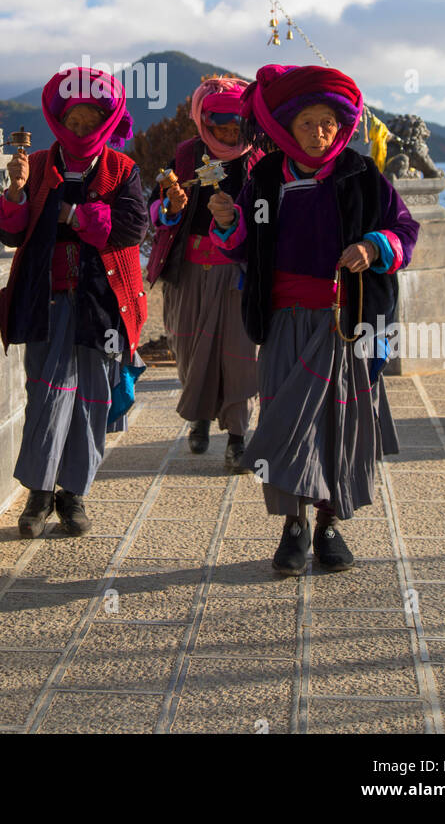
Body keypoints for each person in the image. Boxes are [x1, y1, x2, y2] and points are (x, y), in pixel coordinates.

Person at [206, 63, 419, 574]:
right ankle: (292, 526)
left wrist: (375, 246)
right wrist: (227, 221)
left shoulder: (360, 174)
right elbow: (242, 247)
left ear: (342, 124)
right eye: (308, 123)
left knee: (336, 424)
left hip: (345, 320)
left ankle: (327, 526)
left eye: (329, 122)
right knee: (285, 422)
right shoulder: (265, 176)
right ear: (286, 127)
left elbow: (404, 229)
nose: (320, 132)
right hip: (284, 319)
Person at [0, 66, 149, 539]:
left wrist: (71, 213)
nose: (81, 130)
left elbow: (130, 228)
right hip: (48, 300)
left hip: (102, 304)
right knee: (46, 392)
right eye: (74, 121)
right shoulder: (39, 165)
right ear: (59, 120)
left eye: (90, 122)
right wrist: (17, 191)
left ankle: (73, 493)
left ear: (105, 123)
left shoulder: (122, 169)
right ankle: (39, 494)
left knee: (92, 397)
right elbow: (10, 233)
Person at [146, 76, 260, 469]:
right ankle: (199, 417)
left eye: (237, 126)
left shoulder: (260, 158)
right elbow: (157, 211)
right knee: (189, 347)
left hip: (238, 272)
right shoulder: (186, 155)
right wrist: (171, 209)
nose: (230, 133)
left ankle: (237, 436)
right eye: (220, 126)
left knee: (239, 354)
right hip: (189, 268)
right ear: (203, 121)